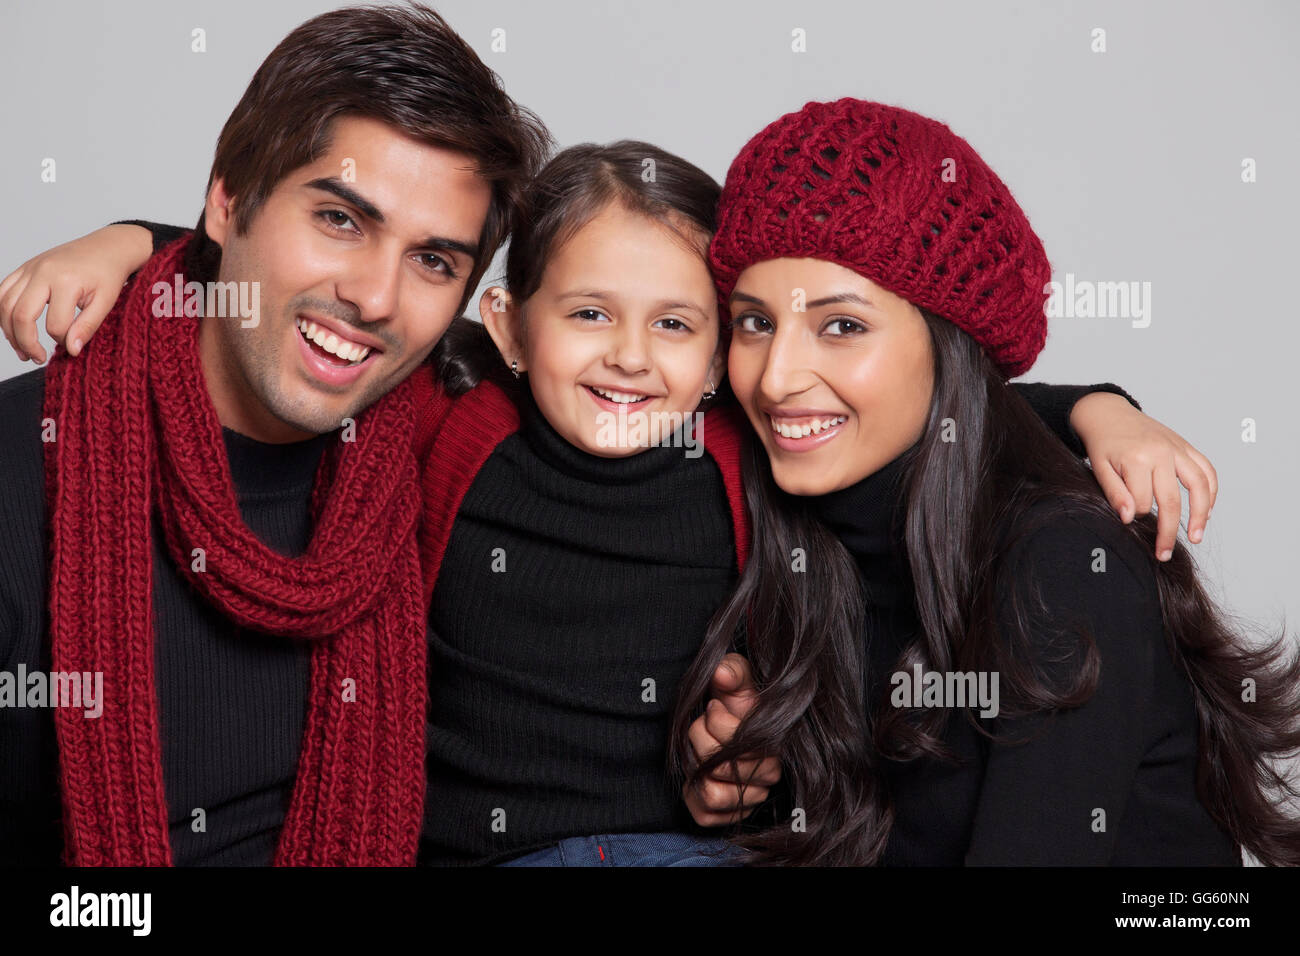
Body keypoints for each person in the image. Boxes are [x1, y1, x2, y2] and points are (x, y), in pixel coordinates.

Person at [4, 135, 1214, 864]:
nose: (632, 357)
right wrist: (143, 244)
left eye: (682, 324)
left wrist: (1095, 405)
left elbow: (945, 390)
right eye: (588, 314)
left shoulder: (744, 447)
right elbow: (327, 308)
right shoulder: (451, 424)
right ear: (508, 329)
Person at [673, 98, 1300, 865]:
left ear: (948, 346)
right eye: (755, 322)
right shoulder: (798, 532)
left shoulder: (1061, 565)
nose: (775, 378)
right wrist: (750, 786)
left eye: (842, 326)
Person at [0, 2, 550, 866]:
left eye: (432, 261)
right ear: (227, 200)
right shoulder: (19, 474)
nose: (374, 297)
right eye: (339, 218)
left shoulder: (452, 456)